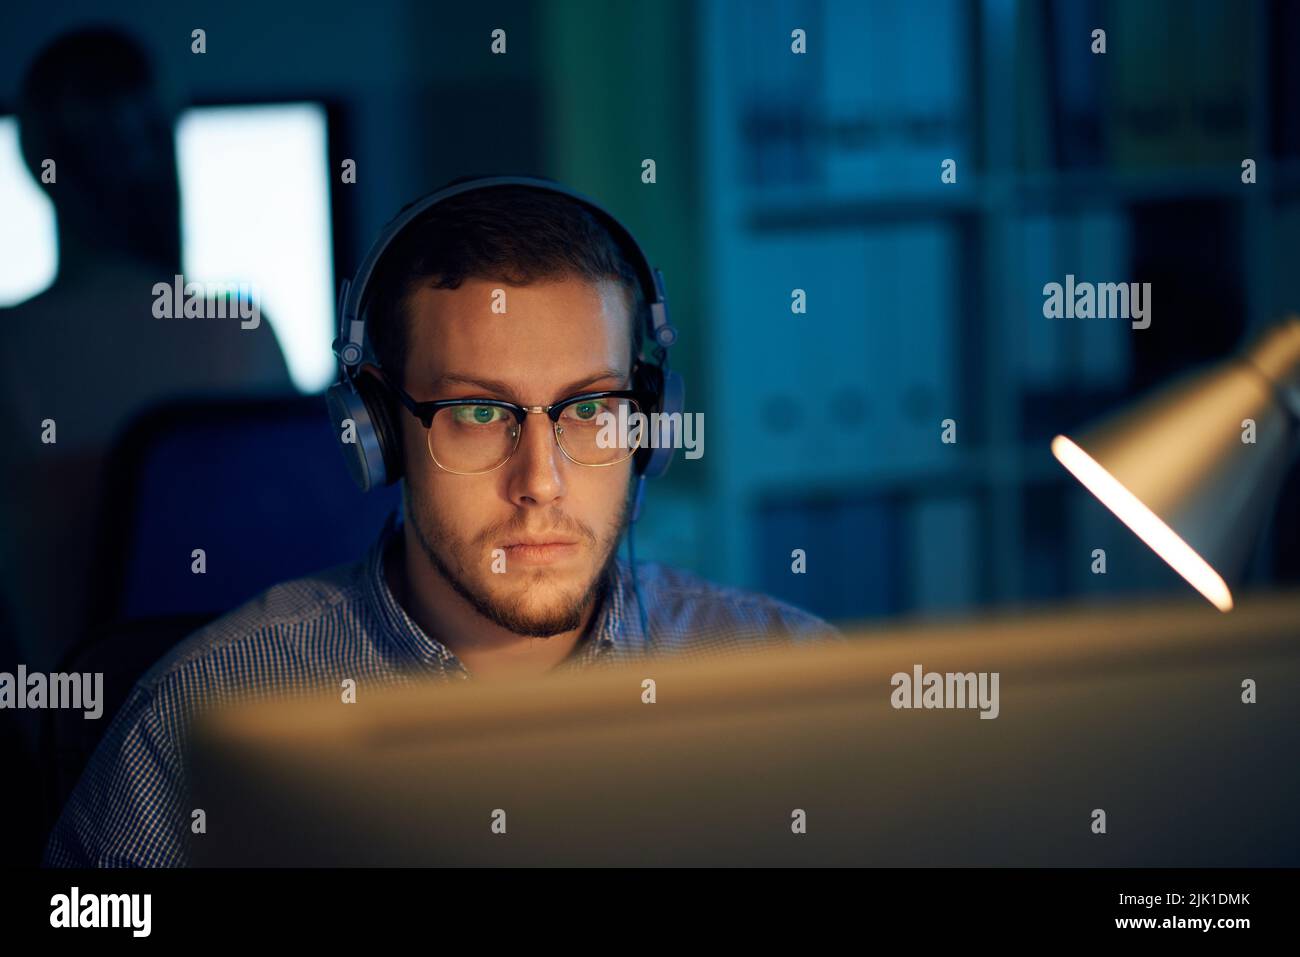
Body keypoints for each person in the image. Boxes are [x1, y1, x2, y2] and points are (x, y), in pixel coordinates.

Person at [44, 181, 840, 867]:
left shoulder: (797, 688)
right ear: (377, 433)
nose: (541, 481)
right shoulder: (205, 713)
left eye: (593, 408)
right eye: (479, 412)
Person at [0, 27, 291, 690]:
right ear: (165, 142)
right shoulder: (241, 328)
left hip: (70, 750)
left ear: (34, 158)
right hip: (244, 719)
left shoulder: (10, 351)